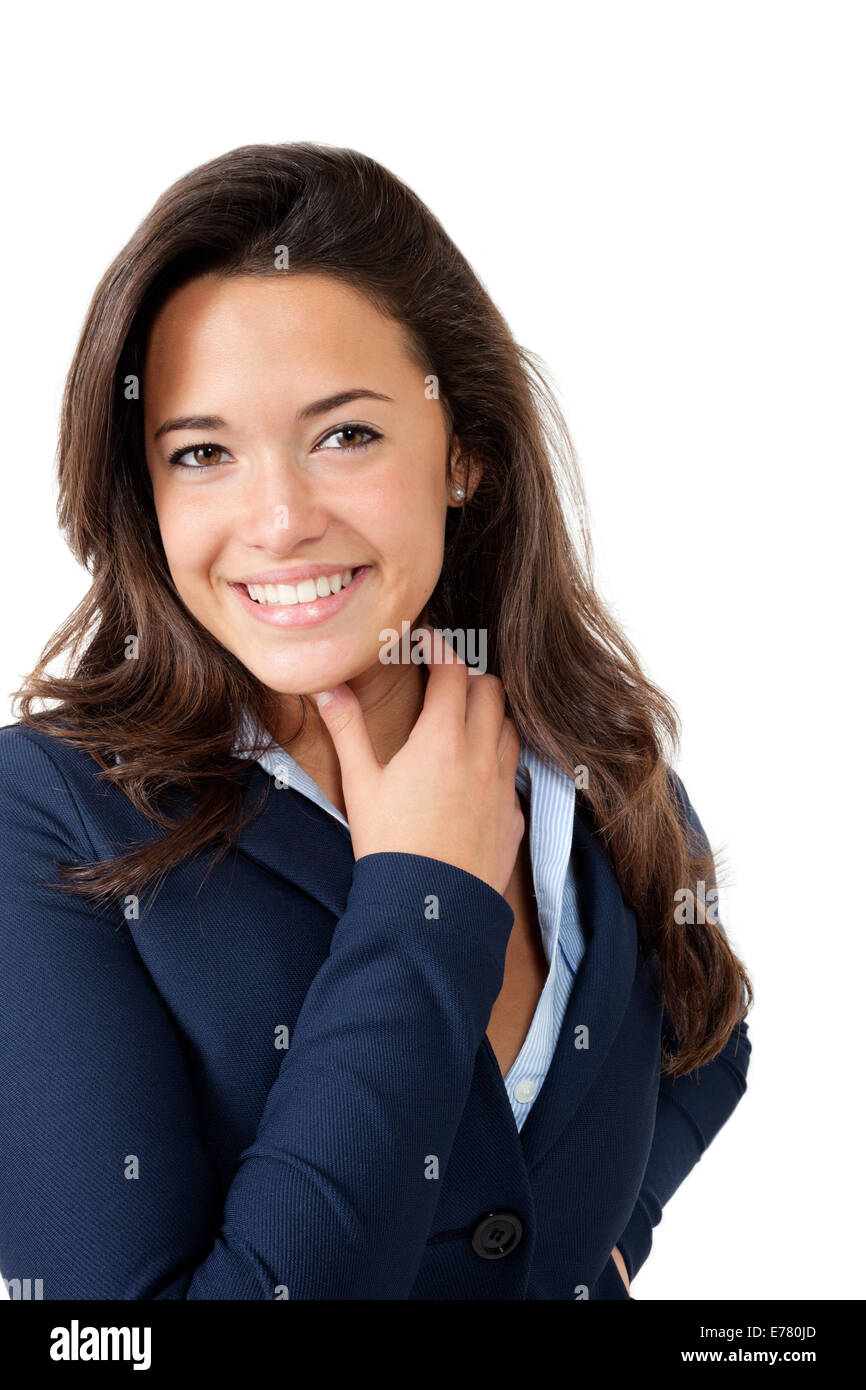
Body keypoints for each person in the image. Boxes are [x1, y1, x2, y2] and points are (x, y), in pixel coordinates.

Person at [0, 142, 752, 1301]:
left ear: (463, 452)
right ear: (143, 497)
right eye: (201, 453)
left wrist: (603, 1247)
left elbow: (707, 1031)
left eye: (344, 434)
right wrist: (421, 892)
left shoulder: (577, 750)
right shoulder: (48, 815)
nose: (280, 519)